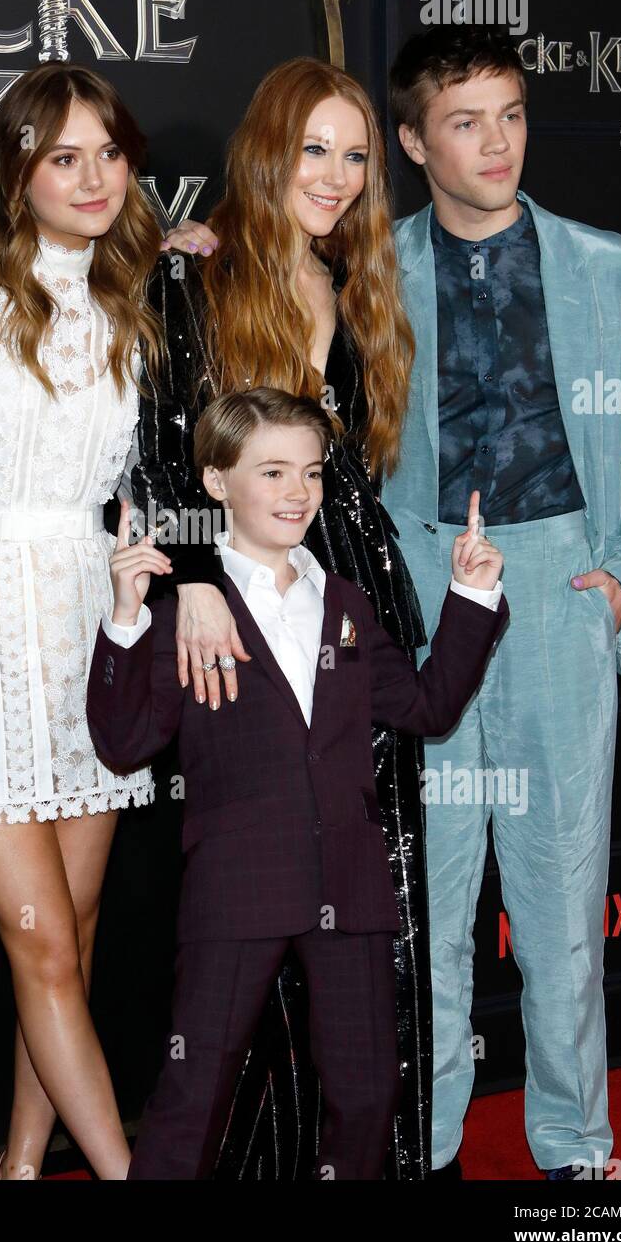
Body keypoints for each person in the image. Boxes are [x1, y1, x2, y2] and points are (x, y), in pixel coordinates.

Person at [383, 25, 621, 1178]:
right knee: (427, 894)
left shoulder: (605, 267)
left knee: (563, 899)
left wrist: (619, 576)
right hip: (423, 594)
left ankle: (573, 1151)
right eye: (464, 122)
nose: (496, 142)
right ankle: (422, 1143)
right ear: (413, 140)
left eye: (509, 114)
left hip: (563, 591)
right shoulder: (372, 268)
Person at [127, 57, 433, 1177]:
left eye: (355, 154)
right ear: (266, 150)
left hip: (352, 594)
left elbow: (356, 465)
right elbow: (158, 447)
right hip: (236, 599)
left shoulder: (352, 277)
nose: (338, 174)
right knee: (250, 906)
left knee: (366, 885)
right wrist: (190, 582)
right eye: (314, 148)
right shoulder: (195, 274)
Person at [89, 388, 508, 1179]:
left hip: (350, 884)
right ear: (216, 482)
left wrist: (471, 594)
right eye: (272, 472)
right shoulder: (191, 611)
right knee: (193, 1095)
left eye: (310, 474)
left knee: (367, 1095)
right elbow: (122, 741)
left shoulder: (345, 604)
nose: (298, 494)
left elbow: (426, 706)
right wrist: (125, 617)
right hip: (237, 884)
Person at [0, 63, 167, 1180]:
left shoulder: (130, 302)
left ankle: (22, 1170)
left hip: (88, 628)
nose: (91, 177)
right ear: (17, 168)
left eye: (108, 153)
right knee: (37, 939)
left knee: (69, 940)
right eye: (62, 156)